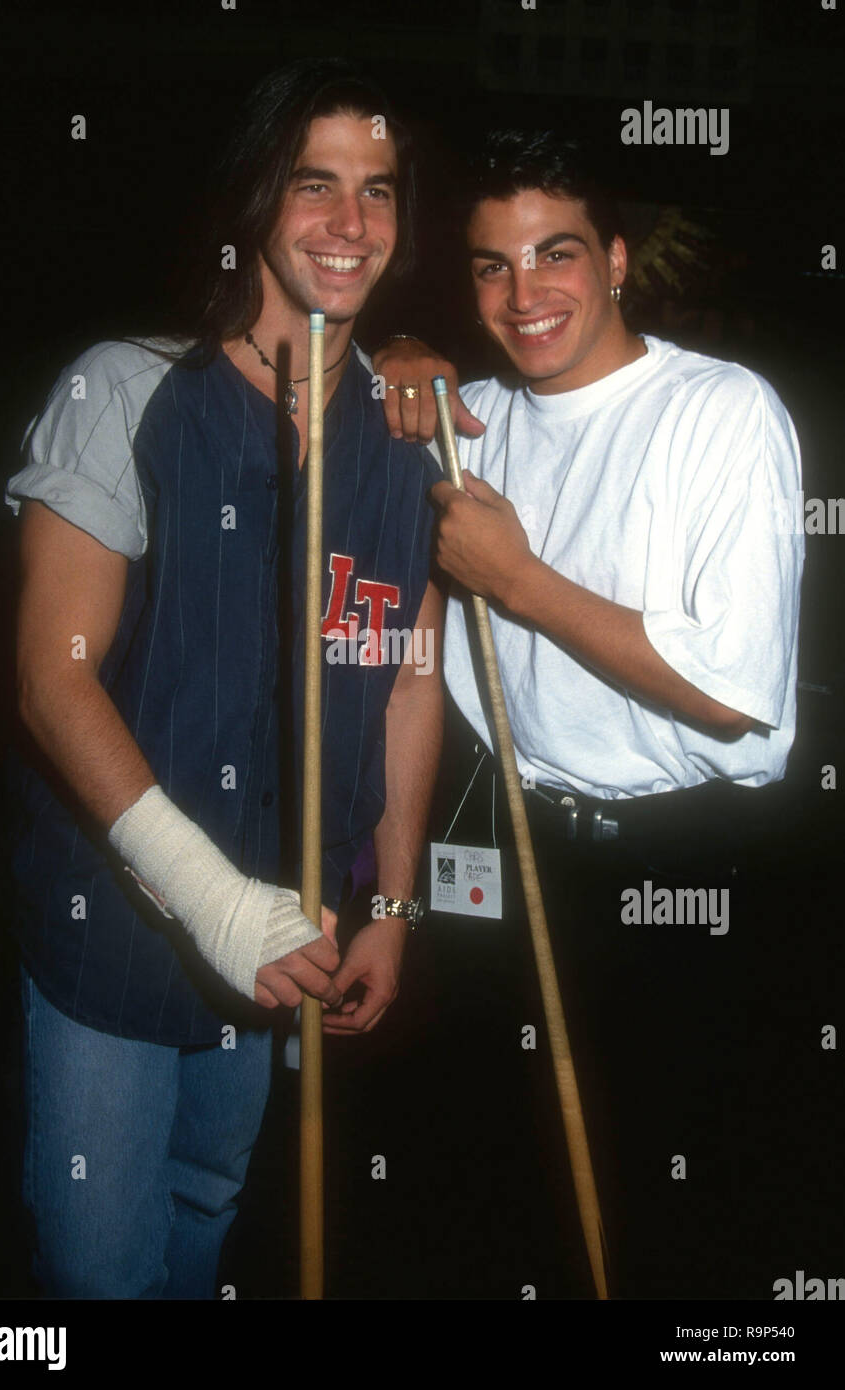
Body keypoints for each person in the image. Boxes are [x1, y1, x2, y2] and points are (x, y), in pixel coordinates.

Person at [4, 59, 443, 1299]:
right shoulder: (127, 387)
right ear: (257, 195)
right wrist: (206, 898)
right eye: (314, 185)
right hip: (117, 931)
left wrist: (397, 909)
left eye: (378, 192)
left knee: (210, 1208)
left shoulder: (412, 435)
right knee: (96, 1272)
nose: (349, 225)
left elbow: (410, 681)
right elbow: (51, 679)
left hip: (290, 934)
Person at [375, 129, 804, 1298]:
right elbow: (360, 364)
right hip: (510, 844)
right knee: (499, 1190)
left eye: (555, 256)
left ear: (616, 260)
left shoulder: (721, 411)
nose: (525, 297)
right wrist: (396, 349)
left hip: (683, 863)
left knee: (685, 1211)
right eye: (490, 267)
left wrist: (519, 583)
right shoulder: (477, 424)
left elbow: (732, 695)